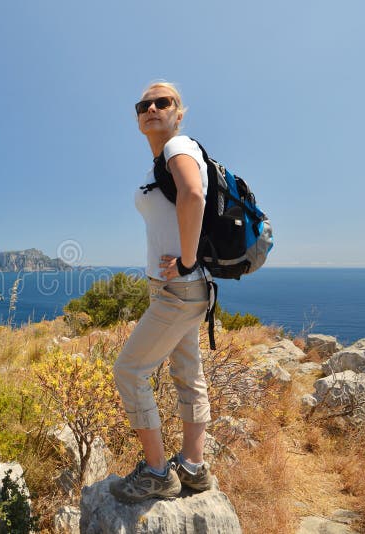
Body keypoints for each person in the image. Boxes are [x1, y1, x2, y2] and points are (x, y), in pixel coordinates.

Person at [109, 81, 216, 503]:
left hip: (179, 289)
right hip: (184, 289)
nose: (152, 107)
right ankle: (192, 467)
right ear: (138, 117)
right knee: (188, 375)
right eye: (144, 104)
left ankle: (157, 472)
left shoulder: (177, 148)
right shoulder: (162, 160)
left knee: (129, 371)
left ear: (179, 111)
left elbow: (193, 195)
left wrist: (186, 260)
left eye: (163, 101)